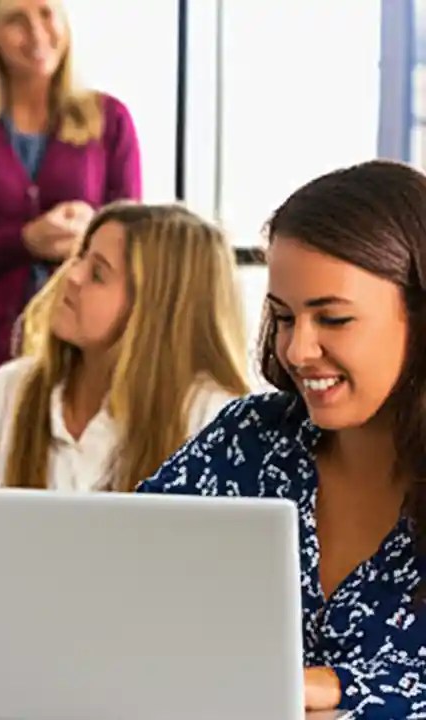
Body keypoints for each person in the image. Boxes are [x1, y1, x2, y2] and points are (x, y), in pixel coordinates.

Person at [138, 160, 426, 715]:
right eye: (284, 317)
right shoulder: (248, 441)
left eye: (334, 320)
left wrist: (340, 685)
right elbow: (116, 575)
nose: (297, 351)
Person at [0, 203, 248, 532]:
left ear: (155, 312)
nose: (71, 276)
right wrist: (1, 516)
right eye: (80, 257)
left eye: (98, 274)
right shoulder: (16, 386)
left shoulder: (213, 416)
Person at [0, 0, 142, 400]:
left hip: (87, 359)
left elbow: (138, 247)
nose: (37, 33)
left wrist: (91, 239)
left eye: (46, 13)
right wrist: (24, 241)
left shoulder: (110, 120)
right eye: (17, 19)